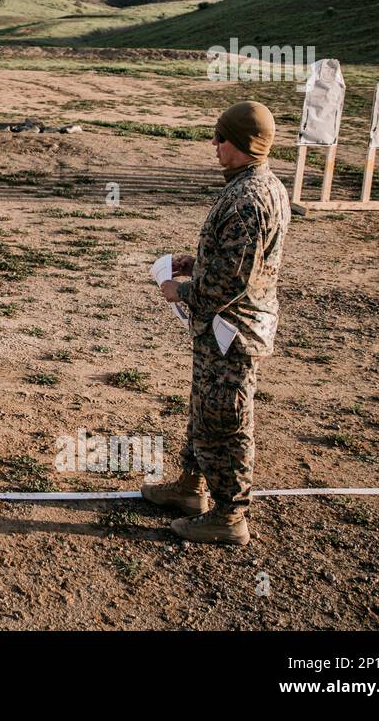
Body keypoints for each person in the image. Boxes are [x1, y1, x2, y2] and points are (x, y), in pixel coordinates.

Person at [145, 101, 290, 546]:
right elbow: (235, 263)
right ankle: (192, 489)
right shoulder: (255, 186)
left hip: (233, 332)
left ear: (245, 144)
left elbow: (233, 283)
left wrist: (181, 291)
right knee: (205, 410)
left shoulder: (248, 199)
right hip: (223, 331)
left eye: (222, 138)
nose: (214, 144)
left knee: (226, 421)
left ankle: (229, 516)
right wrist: (198, 263)